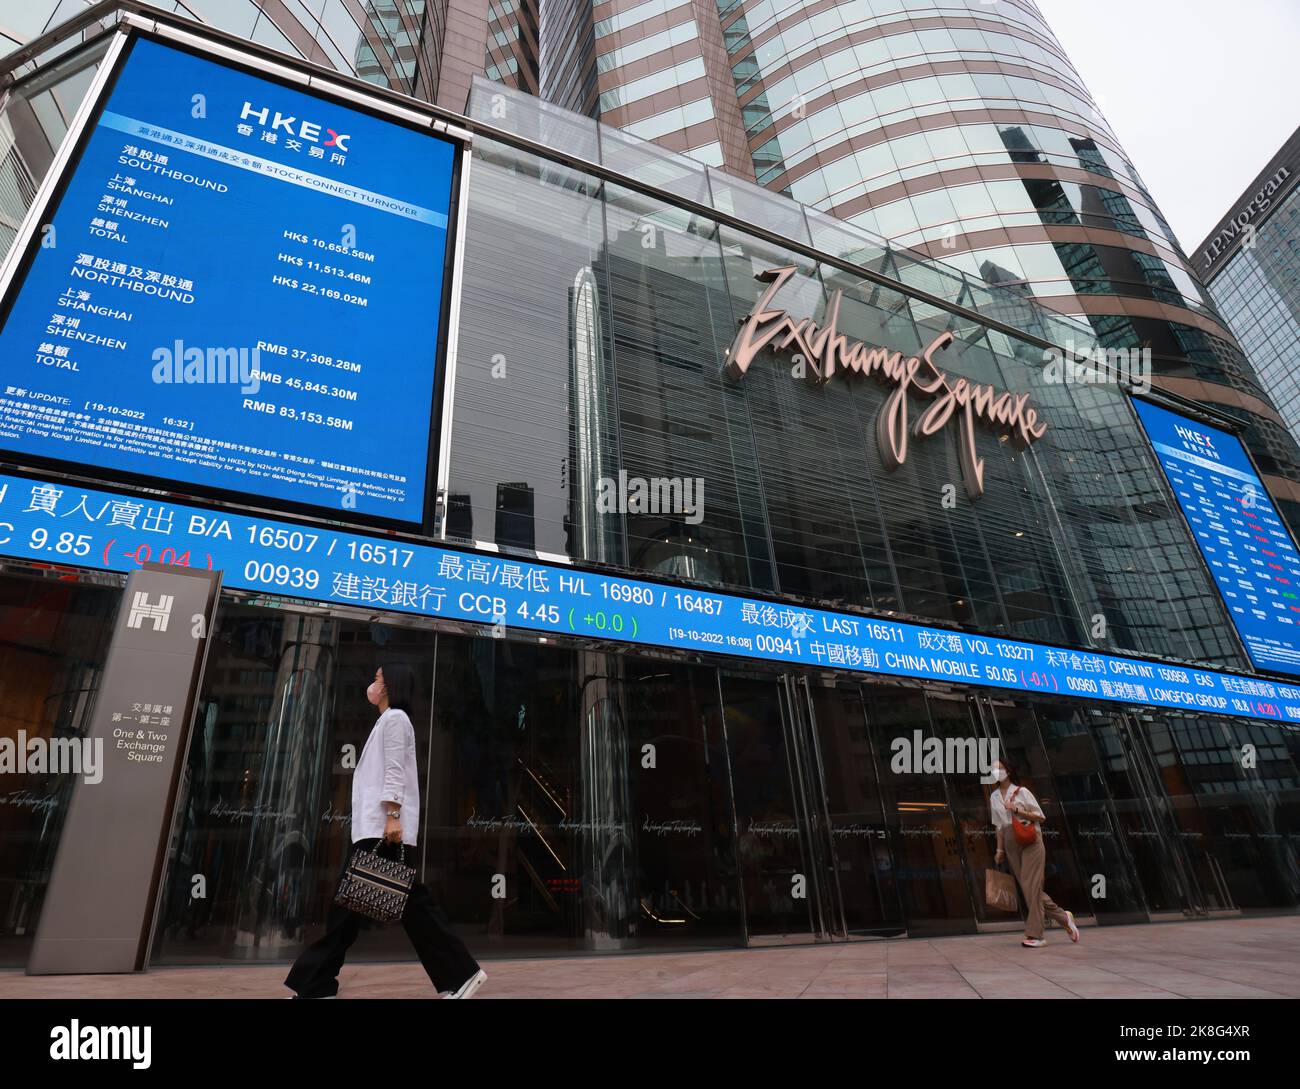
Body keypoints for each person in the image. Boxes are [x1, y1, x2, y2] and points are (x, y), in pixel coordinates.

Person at [285, 662, 487, 999]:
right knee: (363, 909)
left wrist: (393, 816)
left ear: (390, 685)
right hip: (377, 831)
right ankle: (460, 974)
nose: (372, 683)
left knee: (377, 908)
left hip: (383, 832)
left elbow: (394, 771)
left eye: (377, 678)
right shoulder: (388, 720)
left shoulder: (395, 719)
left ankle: (461, 974)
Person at [990, 756, 1079, 948]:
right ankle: (1064, 917)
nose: (997, 772)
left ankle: (1036, 935)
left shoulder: (1022, 792)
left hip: (1030, 839)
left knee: (1031, 886)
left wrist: (1017, 810)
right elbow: (998, 826)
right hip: (1009, 840)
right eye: (994, 769)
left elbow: (1041, 816)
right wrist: (999, 849)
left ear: (1009, 771)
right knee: (1029, 887)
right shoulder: (994, 796)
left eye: (1000, 768)